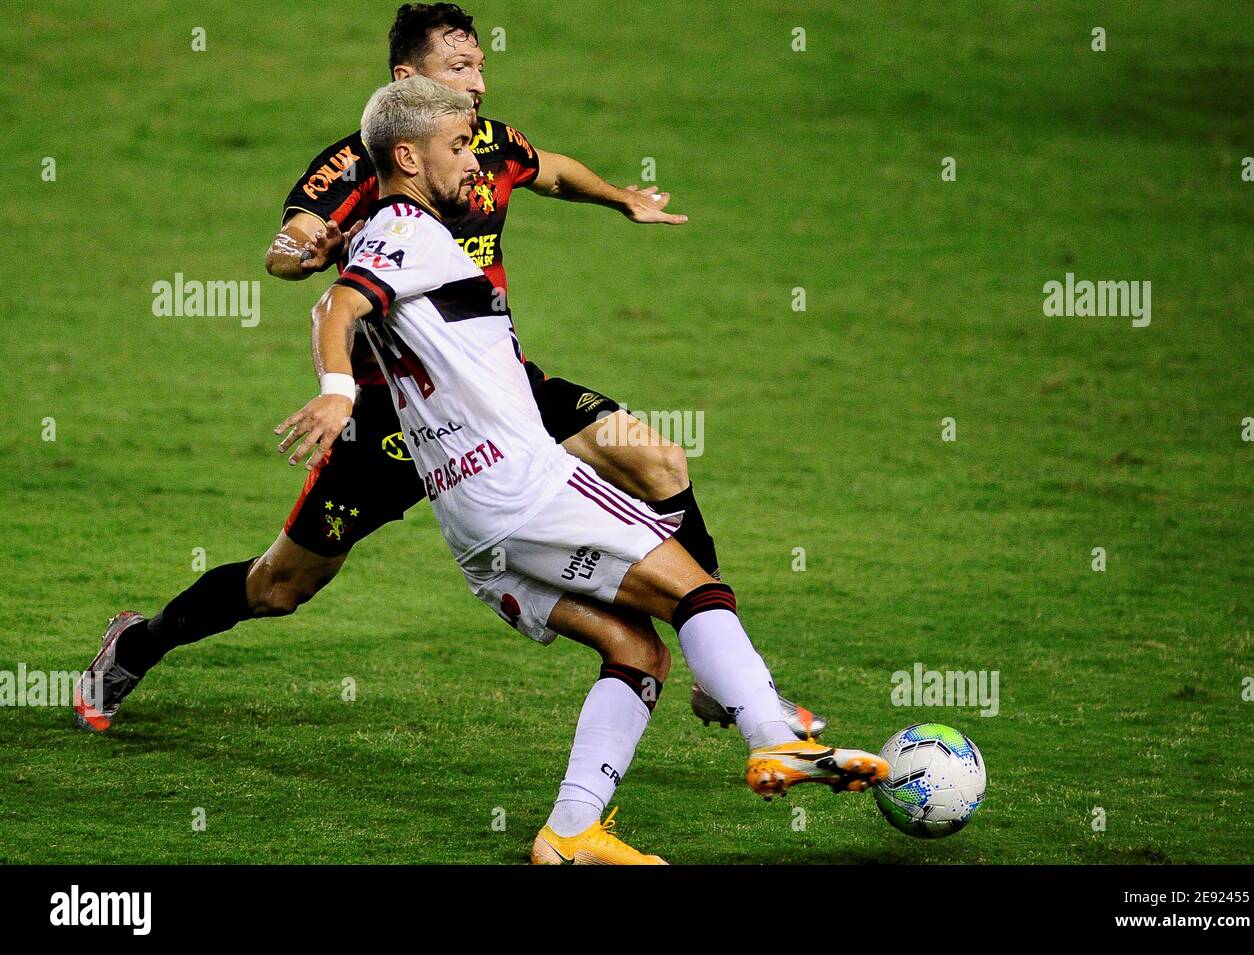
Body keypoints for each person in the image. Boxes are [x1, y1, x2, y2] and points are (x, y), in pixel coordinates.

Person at [74, 3, 824, 740]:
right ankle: (137, 643)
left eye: (481, 67)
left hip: (502, 396)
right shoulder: (366, 162)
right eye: (459, 67)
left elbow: (552, 171)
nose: (478, 84)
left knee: (657, 457)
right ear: (408, 79)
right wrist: (307, 253)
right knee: (281, 585)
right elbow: (290, 242)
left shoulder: (484, 143)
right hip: (392, 417)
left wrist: (620, 197)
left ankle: (725, 677)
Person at [275, 76, 887, 863]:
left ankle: (569, 834)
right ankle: (774, 736)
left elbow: (332, 302)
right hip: (524, 489)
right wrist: (332, 393)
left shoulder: (380, 234)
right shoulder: (408, 228)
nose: (473, 163)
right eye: (458, 147)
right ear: (407, 154)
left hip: (470, 522)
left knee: (638, 651)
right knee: (696, 586)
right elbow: (339, 309)